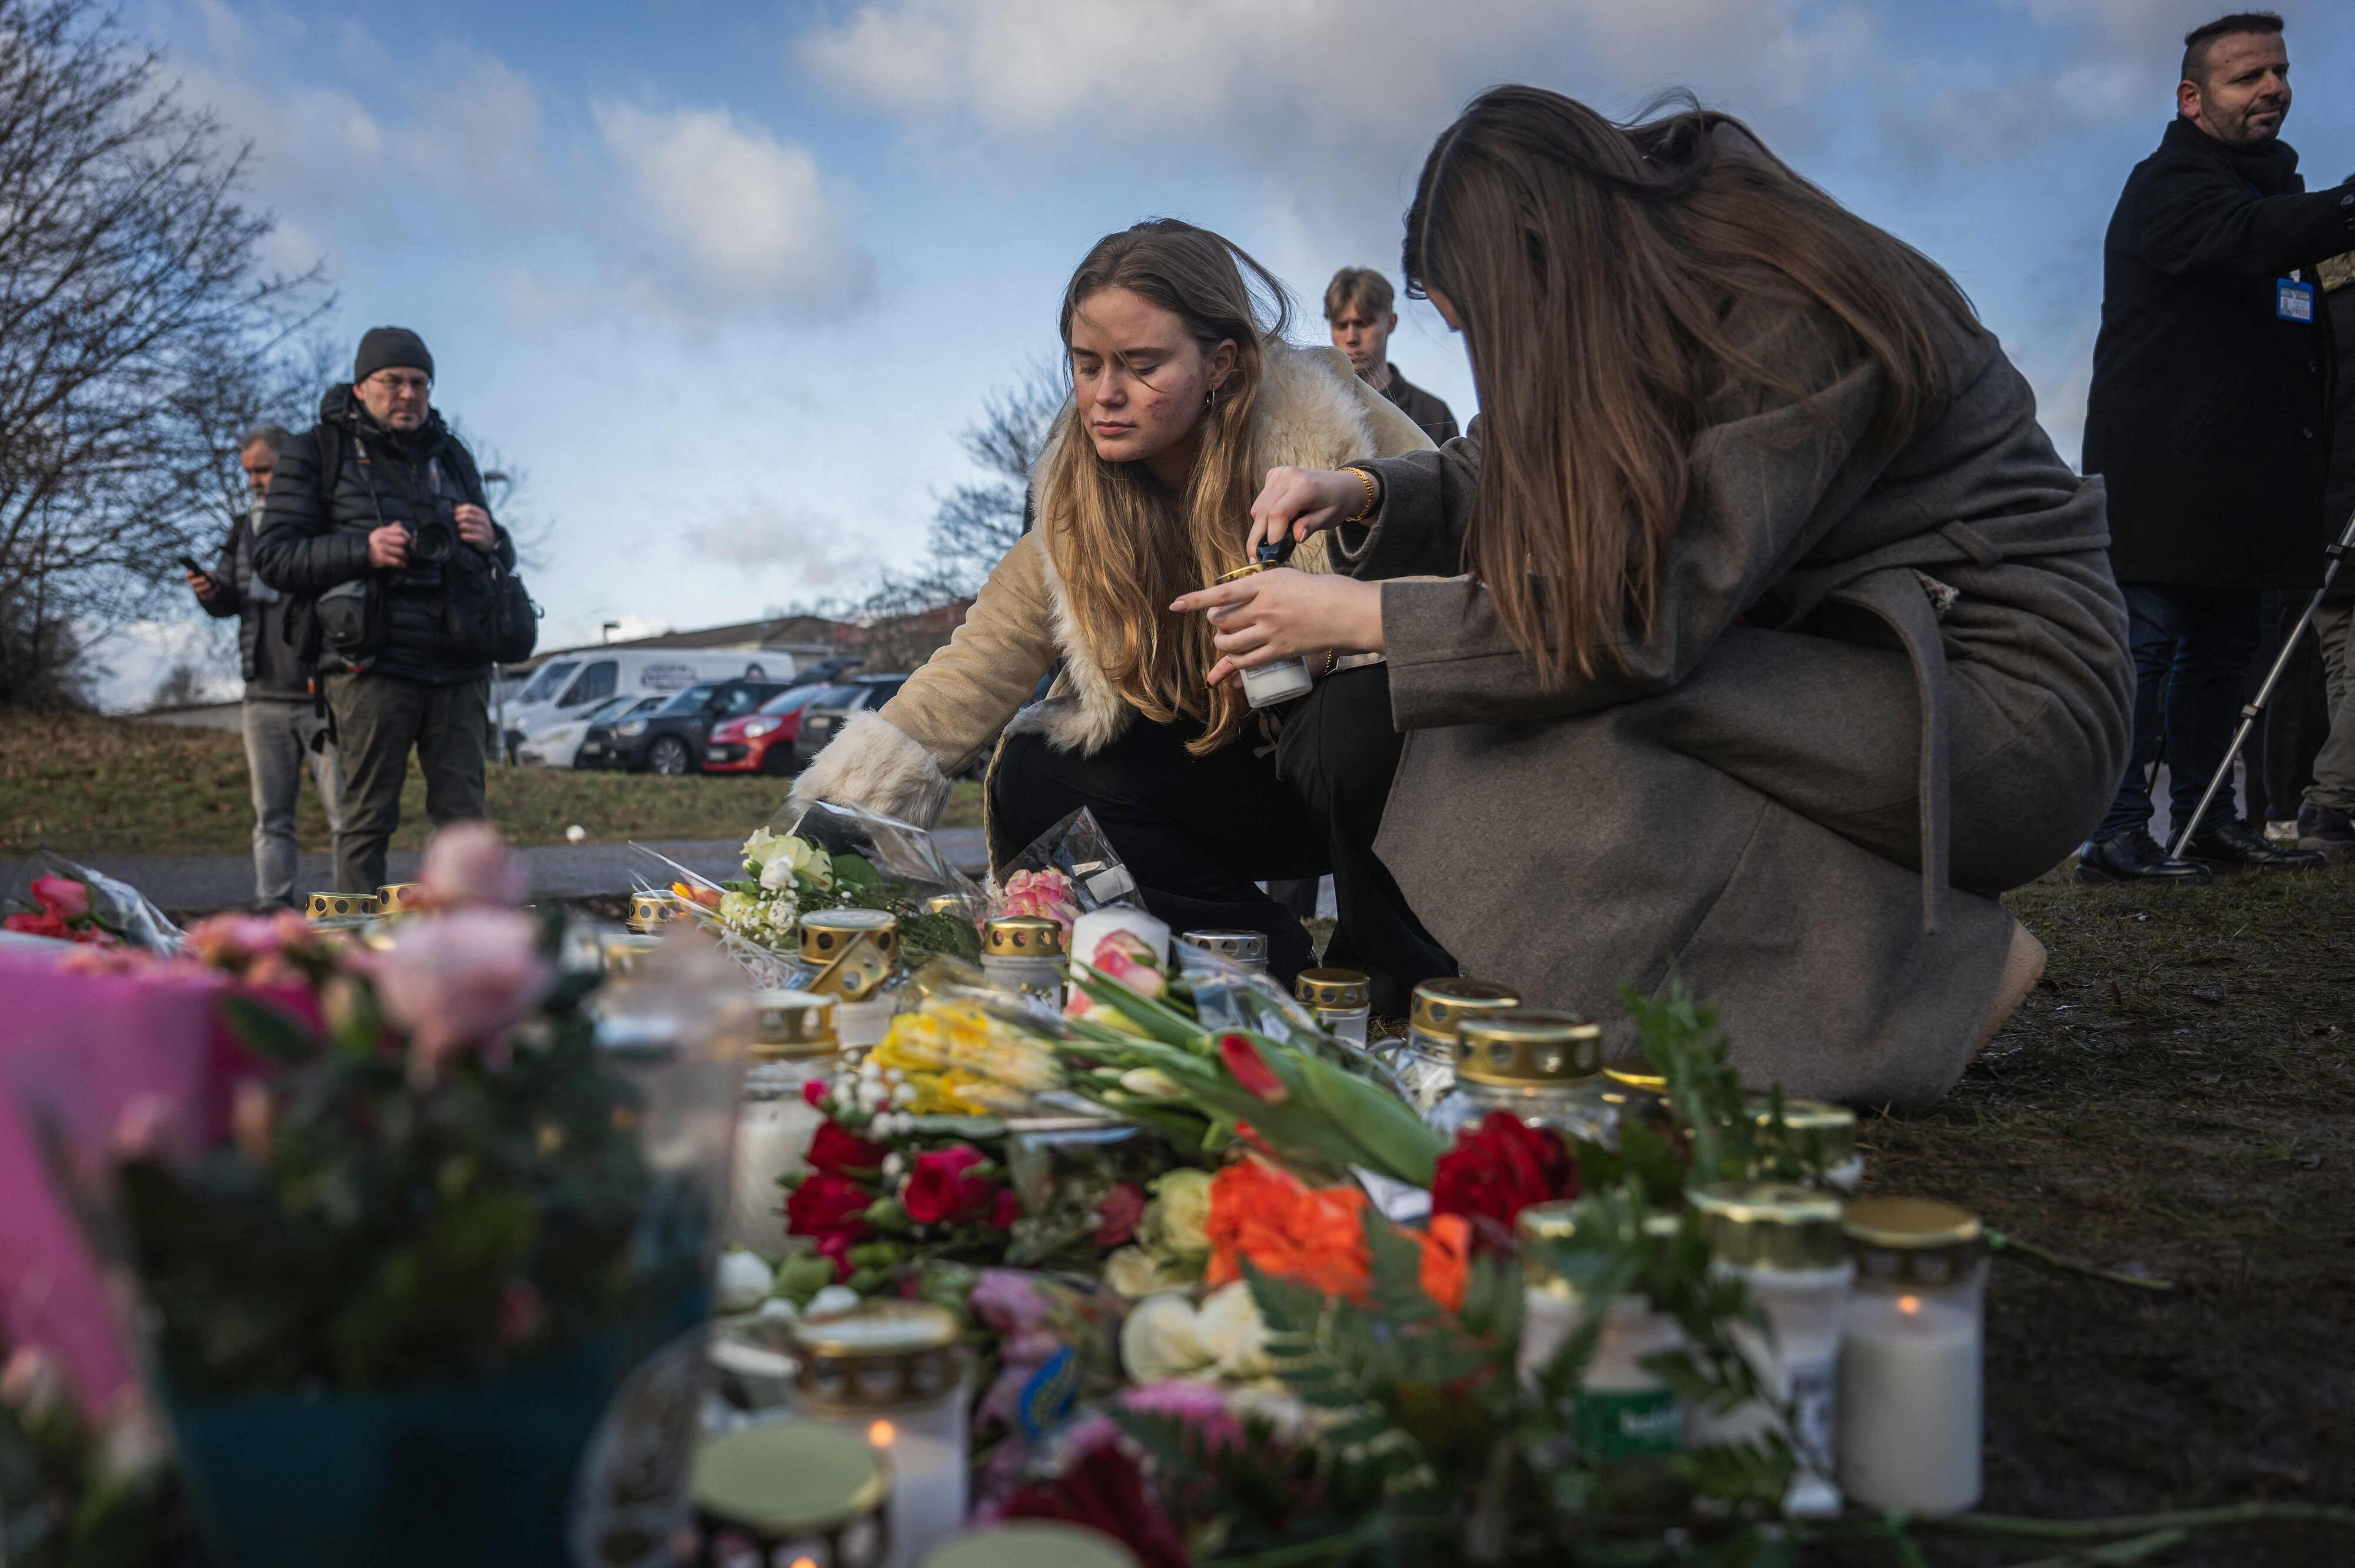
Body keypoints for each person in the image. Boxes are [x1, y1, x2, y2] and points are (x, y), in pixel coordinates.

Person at [1181, 88, 2135, 1109]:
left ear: (1543, 269)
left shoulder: (1792, 309)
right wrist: (1364, 487)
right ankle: (1868, 959)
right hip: (1867, 666)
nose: (1489, 362)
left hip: (2006, 707)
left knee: (1546, 703)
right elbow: (1514, 451)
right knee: (1496, 700)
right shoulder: (1662, 290)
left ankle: (1905, 981)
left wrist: (1358, 617)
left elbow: (1641, 621)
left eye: (1489, 327)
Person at [792, 220, 1451, 1008]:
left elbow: (1461, 542)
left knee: (1353, 715)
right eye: (1086, 365)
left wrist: (1341, 640)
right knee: (1039, 770)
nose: (1105, 396)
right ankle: (1260, 978)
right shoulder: (1072, 500)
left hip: (1379, 773)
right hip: (1228, 785)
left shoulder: (1329, 419)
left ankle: (1401, 979)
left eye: (1141, 367)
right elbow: (971, 672)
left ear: (1222, 363)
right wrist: (806, 853)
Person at [2075, 11, 2345, 882]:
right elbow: (2249, 241)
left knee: (2227, 656)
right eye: (2245, 77)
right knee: (2146, 649)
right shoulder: (2170, 185)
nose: (2272, 87)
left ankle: (2208, 820)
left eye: (2279, 71)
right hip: (2163, 472)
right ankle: (2115, 832)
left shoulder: (2275, 191)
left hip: (2248, 480)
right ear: (2192, 99)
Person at [255, 327, 518, 895]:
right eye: (392, 381)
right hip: (371, 664)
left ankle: (472, 959)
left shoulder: (453, 454)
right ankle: (352, 958)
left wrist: (494, 537)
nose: (407, 394)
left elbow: (495, 556)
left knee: (465, 828)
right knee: (366, 821)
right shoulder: (315, 450)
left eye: (419, 383)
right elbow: (273, 557)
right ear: (360, 386)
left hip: (460, 663)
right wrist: (363, 549)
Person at [186, 424, 343, 907]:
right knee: (270, 816)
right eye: (249, 472)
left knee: (347, 816)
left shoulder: (324, 521)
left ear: (289, 466)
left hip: (324, 695)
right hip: (263, 696)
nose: (255, 480)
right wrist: (212, 594)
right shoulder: (242, 530)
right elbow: (232, 599)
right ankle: (272, 911)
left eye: (264, 469)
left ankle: (352, 912)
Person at [2298, 247, 2355, 854]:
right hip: (2346, 494)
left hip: (2316, 508)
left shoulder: (2315, 308)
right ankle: (2329, 806)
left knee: (2341, 663)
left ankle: (2336, 810)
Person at [1325, 267, 1458, 443]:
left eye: (1363, 323)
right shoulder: (1312, 408)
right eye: (1341, 325)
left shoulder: (1434, 414)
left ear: (1391, 323)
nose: (1351, 338)